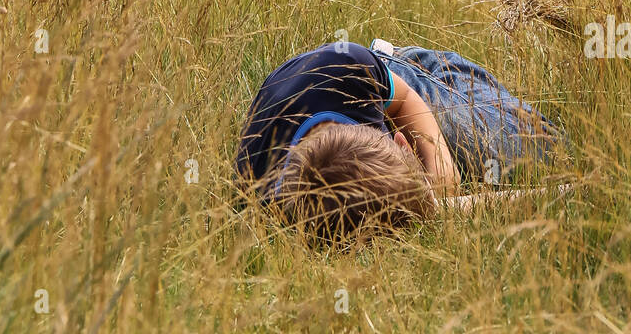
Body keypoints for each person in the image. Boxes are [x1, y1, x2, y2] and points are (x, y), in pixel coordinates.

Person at [235, 37, 566, 242]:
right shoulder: (273, 202)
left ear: (400, 141)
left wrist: (440, 165)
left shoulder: (348, 69)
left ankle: (427, 64)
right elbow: (438, 211)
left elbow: (405, 99)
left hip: (392, 77)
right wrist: (563, 194)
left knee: (544, 145)